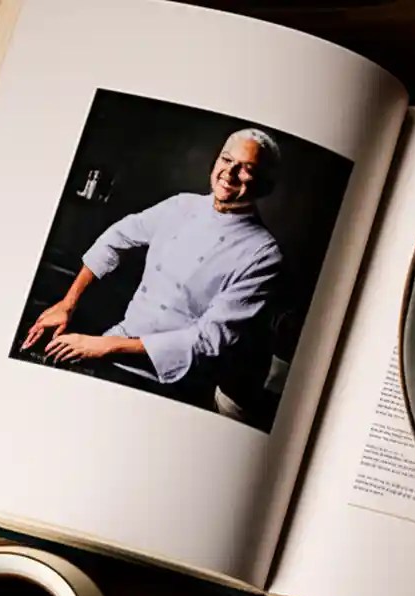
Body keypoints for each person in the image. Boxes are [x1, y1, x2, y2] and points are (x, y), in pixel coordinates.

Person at [20, 128, 284, 409]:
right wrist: (67, 303)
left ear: (264, 183)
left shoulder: (263, 254)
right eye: (226, 160)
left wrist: (104, 345)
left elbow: (207, 341)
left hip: (173, 379)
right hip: (118, 344)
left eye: (246, 168)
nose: (229, 173)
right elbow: (116, 237)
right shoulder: (181, 205)